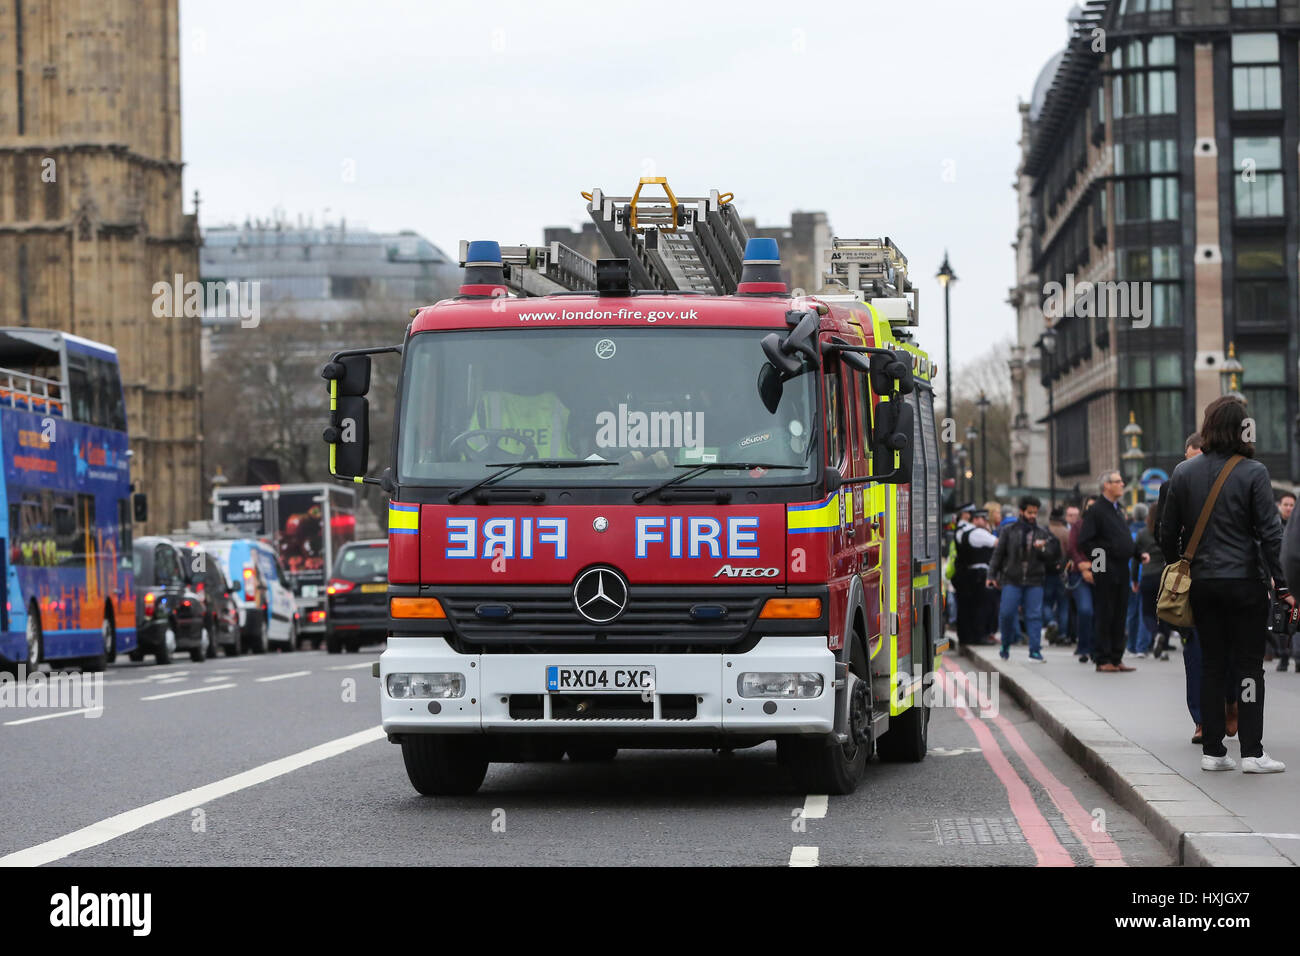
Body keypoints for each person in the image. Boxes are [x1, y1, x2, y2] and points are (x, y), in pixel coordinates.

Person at [1159, 397, 1291, 773]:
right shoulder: (1254, 472)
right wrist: (1282, 585)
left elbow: (1168, 533)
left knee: (1211, 665)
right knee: (1249, 666)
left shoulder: (1183, 473)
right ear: (1242, 429)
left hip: (1203, 584)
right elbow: (1270, 534)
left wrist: (1178, 566)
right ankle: (1252, 751)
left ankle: (1213, 751)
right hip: (1245, 584)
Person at [987, 495, 1061, 663]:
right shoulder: (1009, 530)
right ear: (1021, 511)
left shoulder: (1042, 533)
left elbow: (1052, 556)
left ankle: (1035, 651)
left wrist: (1042, 549)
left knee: (1034, 616)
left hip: (1035, 581)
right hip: (1011, 579)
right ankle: (1005, 644)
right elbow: (998, 555)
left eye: (1035, 512)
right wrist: (991, 575)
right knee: (1006, 613)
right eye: (1030, 512)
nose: (1033, 516)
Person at [1079, 470, 1136, 673]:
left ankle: (1116, 656)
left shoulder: (1117, 509)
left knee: (1120, 613)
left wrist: (1137, 554)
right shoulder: (1096, 511)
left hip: (1122, 569)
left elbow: (1123, 538)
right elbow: (1085, 541)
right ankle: (1103, 658)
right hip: (1107, 569)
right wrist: (1101, 566)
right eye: (1117, 481)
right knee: (1106, 613)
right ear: (1106, 486)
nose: (1122, 484)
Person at [953, 505, 998, 647]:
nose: (985, 522)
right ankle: (980, 635)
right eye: (983, 519)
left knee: (967, 607)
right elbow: (997, 543)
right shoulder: (978, 533)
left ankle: (967, 636)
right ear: (976, 519)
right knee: (982, 606)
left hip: (965, 574)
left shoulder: (962, 532)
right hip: (979, 574)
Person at [1133, 498, 1170, 662]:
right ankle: (1162, 639)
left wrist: (1134, 579)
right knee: (1164, 612)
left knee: (1147, 612)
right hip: (1164, 576)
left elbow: (1135, 558)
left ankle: (1155, 635)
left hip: (1147, 576)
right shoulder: (1167, 530)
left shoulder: (1142, 533)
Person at [1066, 499, 1097, 663]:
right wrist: (1082, 566)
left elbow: (1105, 547)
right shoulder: (1078, 526)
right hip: (1079, 574)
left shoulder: (1102, 526)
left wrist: (1095, 567)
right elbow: (1072, 548)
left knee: (1098, 613)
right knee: (1085, 610)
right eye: (1089, 505)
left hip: (1099, 572)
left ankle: (1095, 647)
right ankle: (1084, 646)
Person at [1125, 503, 1153, 658]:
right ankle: (1142, 645)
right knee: (1145, 611)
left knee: (1132, 612)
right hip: (1147, 575)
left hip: (1130, 576)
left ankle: (1131, 645)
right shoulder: (1150, 532)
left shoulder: (1128, 532)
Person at [1274, 490, 1297, 671]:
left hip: (1292, 576)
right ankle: (1283, 655)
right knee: (1282, 617)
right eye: (1286, 504)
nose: (1289, 508)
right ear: (1279, 506)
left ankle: (1295, 656)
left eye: (1292, 505)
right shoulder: (1274, 525)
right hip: (1282, 578)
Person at [1042, 506, 1071, 644]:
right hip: (1062, 572)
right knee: (1063, 605)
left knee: (1046, 602)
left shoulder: (1044, 532)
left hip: (1046, 572)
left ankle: (1051, 621)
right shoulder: (1067, 533)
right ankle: (1063, 633)